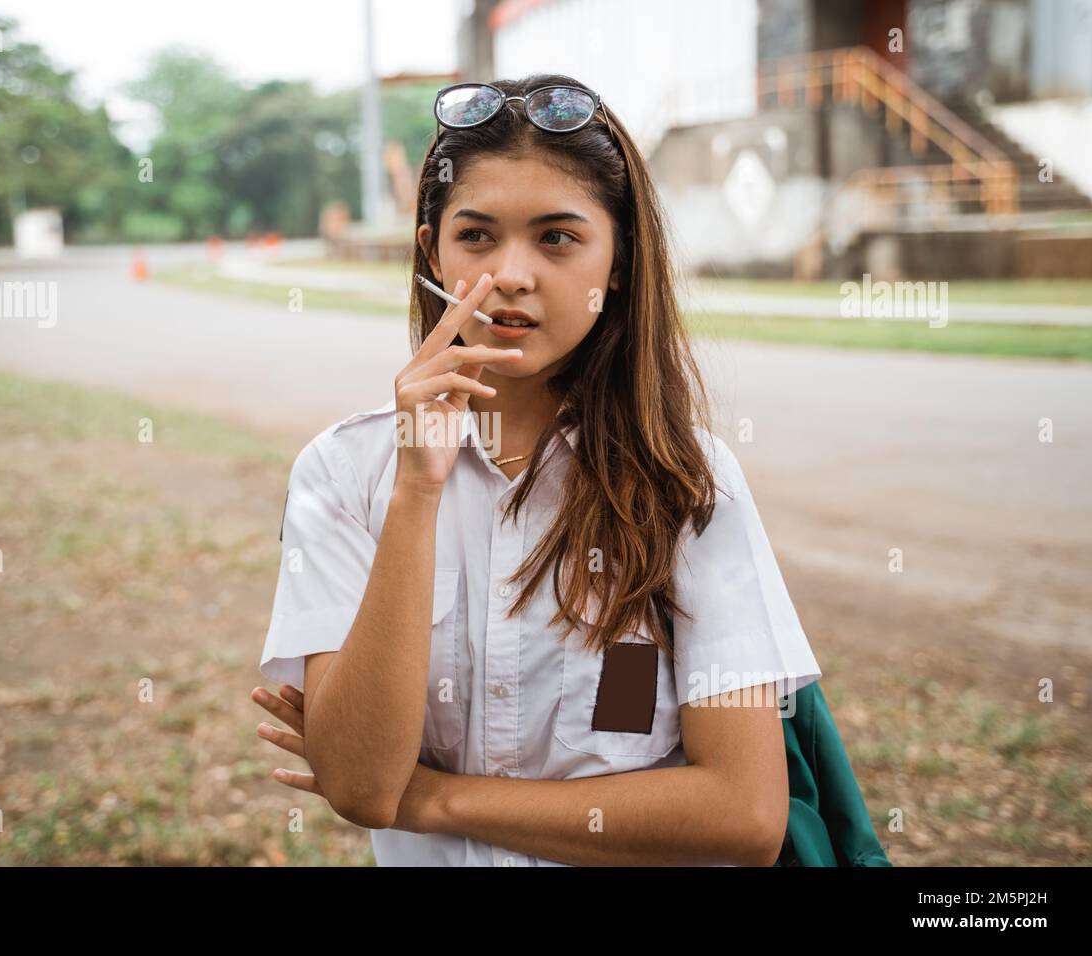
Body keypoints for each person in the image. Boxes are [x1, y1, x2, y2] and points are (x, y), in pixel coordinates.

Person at [252, 74, 821, 866]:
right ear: (431, 253)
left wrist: (437, 797)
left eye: (557, 237)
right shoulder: (346, 473)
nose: (512, 275)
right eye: (476, 236)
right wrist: (417, 490)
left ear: (618, 262)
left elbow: (745, 814)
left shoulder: (687, 480)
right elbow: (360, 784)